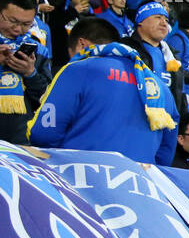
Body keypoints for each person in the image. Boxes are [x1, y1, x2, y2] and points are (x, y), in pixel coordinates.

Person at [28, 15, 177, 164]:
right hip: (140, 182)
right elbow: (165, 154)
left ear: (81, 45)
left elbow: (44, 134)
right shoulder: (160, 87)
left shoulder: (78, 69)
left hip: (81, 178)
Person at [0, 0, 53, 144]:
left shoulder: (37, 49)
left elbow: (47, 98)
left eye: (26, 24)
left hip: (20, 136)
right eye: (12, 21)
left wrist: (31, 74)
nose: (17, 29)